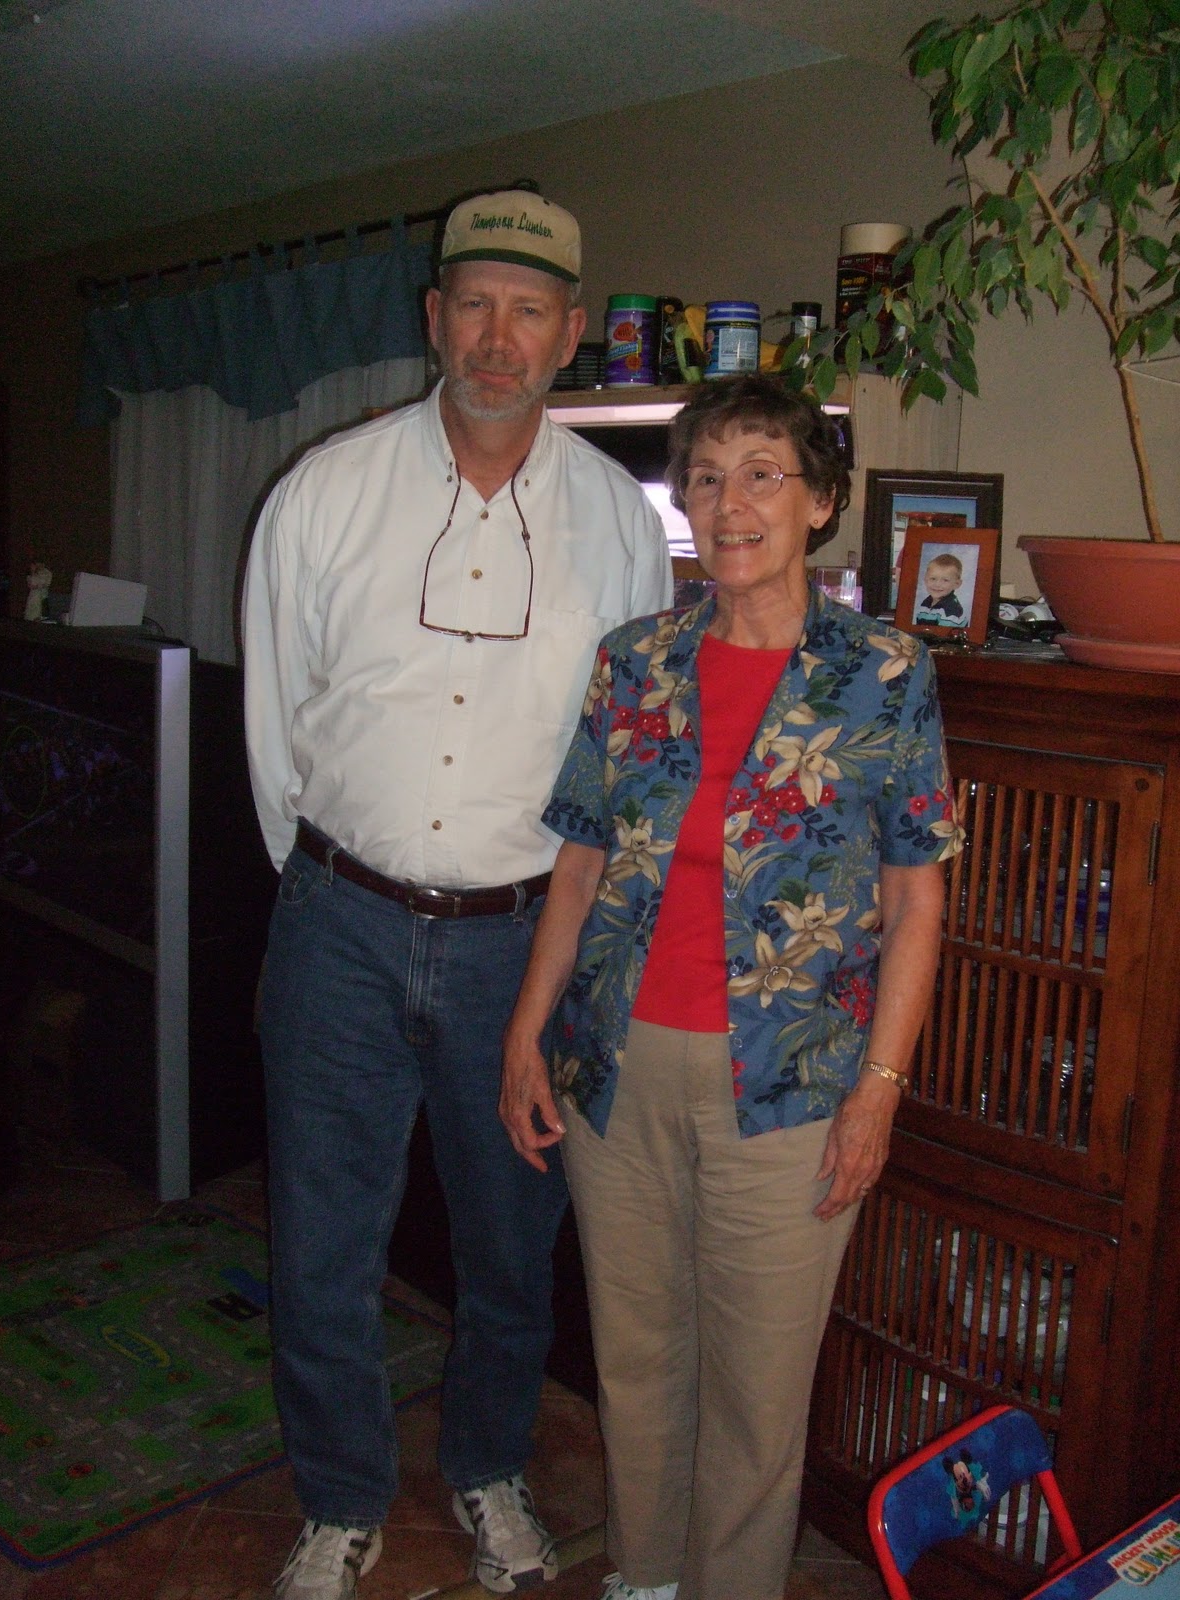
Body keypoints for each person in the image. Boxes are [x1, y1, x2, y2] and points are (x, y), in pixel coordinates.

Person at [242, 188, 671, 1600]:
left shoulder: (619, 522)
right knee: (322, 1241)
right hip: (341, 924)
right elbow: (275, 724)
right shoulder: (326, 491)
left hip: (523, 949)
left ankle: (488, 1468)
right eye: (474, 304)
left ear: (570, 333)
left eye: (527, 311)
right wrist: (331, 886)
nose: (498, 337)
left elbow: (620, 755)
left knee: (510, 1241)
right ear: (435, 319)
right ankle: (339, 1497)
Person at [500, 375, 963, 1600]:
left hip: (795, 1084)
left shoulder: (885, 672)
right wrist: (528, 1031)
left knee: (758, 1393)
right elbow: (580, 861)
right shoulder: (635, 661)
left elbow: (917, 897)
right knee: (637, 1358)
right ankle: (646, 1576)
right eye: (704, 477)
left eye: (763, 473)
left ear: (820, 502)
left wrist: (880, 1089)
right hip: (618, 1066)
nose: (729, 502)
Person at [916, 550, 967, 626]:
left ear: (957, 584)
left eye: (945, 580)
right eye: (933, 579)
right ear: (926, 580)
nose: (937, 584)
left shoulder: (951, 611)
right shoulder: (926, 602)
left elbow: (943, 634)